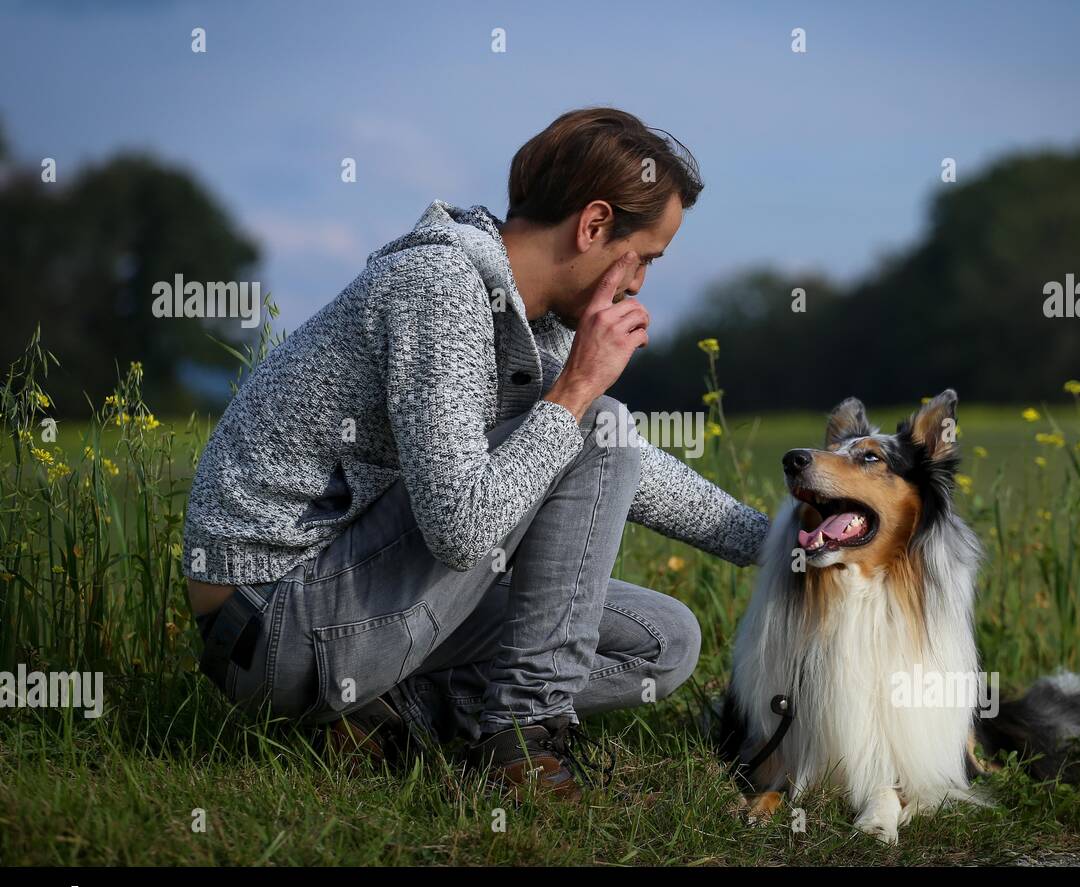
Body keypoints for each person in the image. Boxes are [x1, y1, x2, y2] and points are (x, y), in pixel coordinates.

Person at [182, 107, 770, 797]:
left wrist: (780, 542)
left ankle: (390, 718)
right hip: (273, 621)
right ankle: (519, 742)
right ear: (593, 226)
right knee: (591, 420)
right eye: (643, 256)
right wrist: (578, 391)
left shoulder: (535, 324)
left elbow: (623, 466)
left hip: (351, 607)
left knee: (664, 641)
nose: (641, 282)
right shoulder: (439, 285)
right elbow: (462, 529)